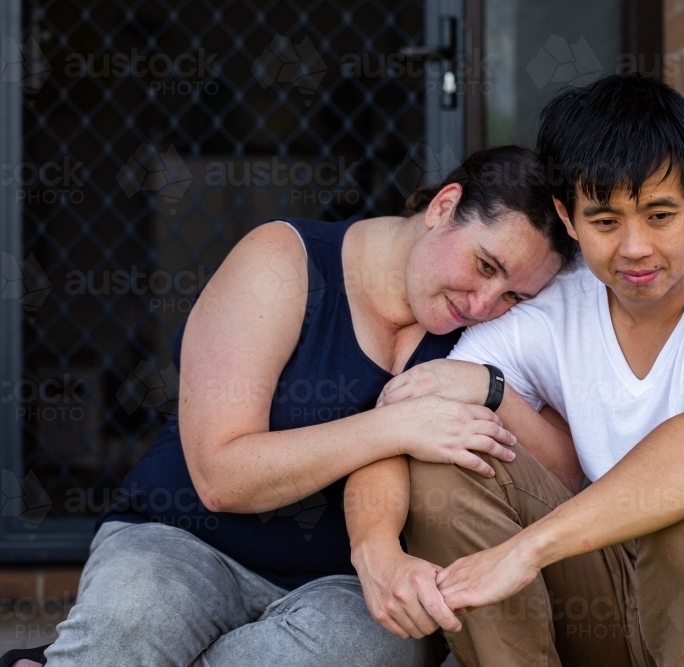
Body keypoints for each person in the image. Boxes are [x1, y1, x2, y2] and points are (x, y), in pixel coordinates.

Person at [348, 74, 684, 667]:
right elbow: (399, 423)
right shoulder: (552, 309)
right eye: (606, 222)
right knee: (446, 467)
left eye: (660, 215)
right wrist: (374, 548)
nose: (634, 248)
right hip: (615, 599)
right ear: (567, 215)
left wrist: (529, 549)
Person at [5, 145, 577, 667]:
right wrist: (396, 426)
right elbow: (221, 476)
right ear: (444, 206)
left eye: (513, 295)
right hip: (184, 540)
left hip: (345, 583)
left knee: (367, 649)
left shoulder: (484, 336)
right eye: (484, 265)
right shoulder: (284, 262)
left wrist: (492, 390)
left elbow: (566, 476)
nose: (483, 303)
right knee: (135, 614)